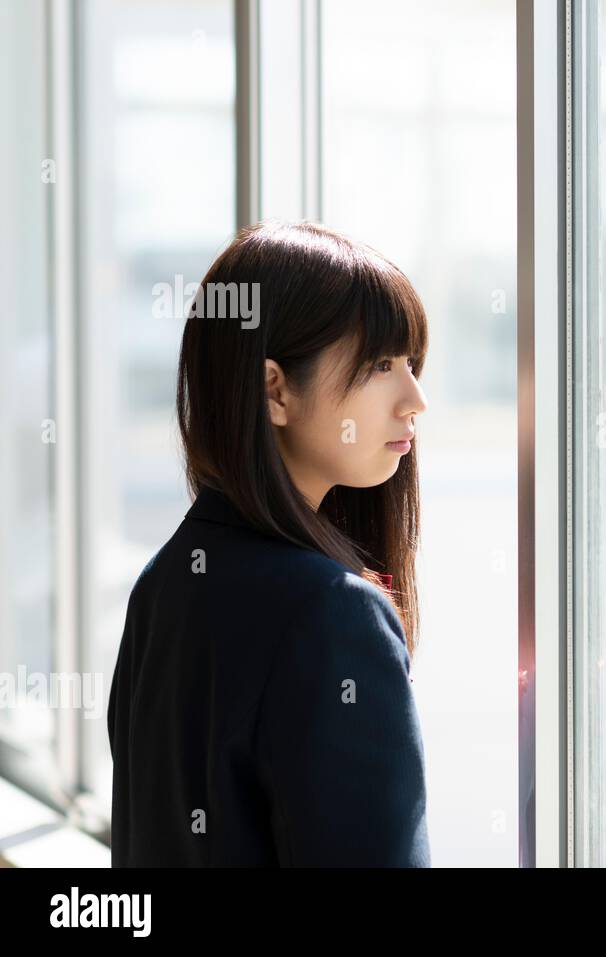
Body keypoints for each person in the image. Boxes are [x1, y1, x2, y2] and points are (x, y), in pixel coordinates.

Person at [107, 221, 432, 866]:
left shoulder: (164, 582)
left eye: (411, 365)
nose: (414, 399)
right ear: (275, 390)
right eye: (379, 366)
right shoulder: (335, 616)